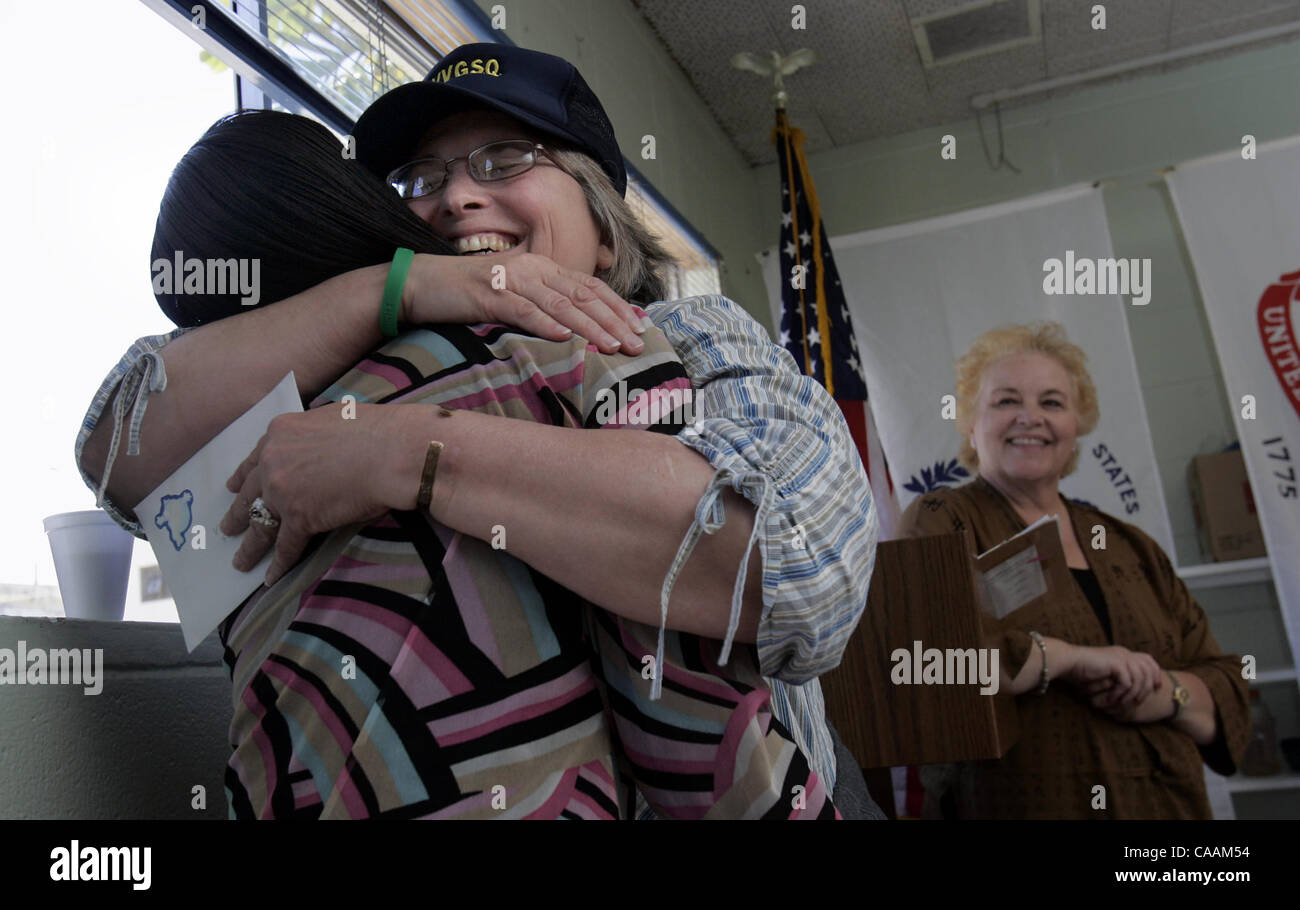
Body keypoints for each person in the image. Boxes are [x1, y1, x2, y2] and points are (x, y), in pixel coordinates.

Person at [77, 61, 876, 813]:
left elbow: (793, 560)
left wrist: (404, 452)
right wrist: (405, 286)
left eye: (505, 160)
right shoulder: (356, 358)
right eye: (422, 179)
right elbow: (116, 448)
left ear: (603, 229)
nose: (457, 197)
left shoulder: (687, 333)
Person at [898, 322, 1250, 819]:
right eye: (1005, 401)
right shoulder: (943, 521)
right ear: (970, 425)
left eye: (1052, 402)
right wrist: (1070, 659)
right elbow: (936, 663)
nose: (1030, 418)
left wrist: (1167, 695)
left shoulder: (1130, 545)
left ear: (1076, 426)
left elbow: (1224, 682)